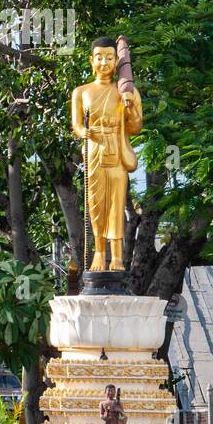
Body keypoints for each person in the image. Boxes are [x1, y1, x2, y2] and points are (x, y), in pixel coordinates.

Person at [70, 36, 143, 272]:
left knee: (116, 203)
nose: (104, 62)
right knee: (96, 204)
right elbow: (76, 125)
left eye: (110, 57)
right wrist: (84, 131)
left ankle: (117, 256)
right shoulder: (81, 92)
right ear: (91, 60)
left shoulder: (126, 91)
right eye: (99, 57)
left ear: (117, 61)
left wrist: (129, 106)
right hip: (94, 150)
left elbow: (135, 127)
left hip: (116, 149)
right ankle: (99, 252)